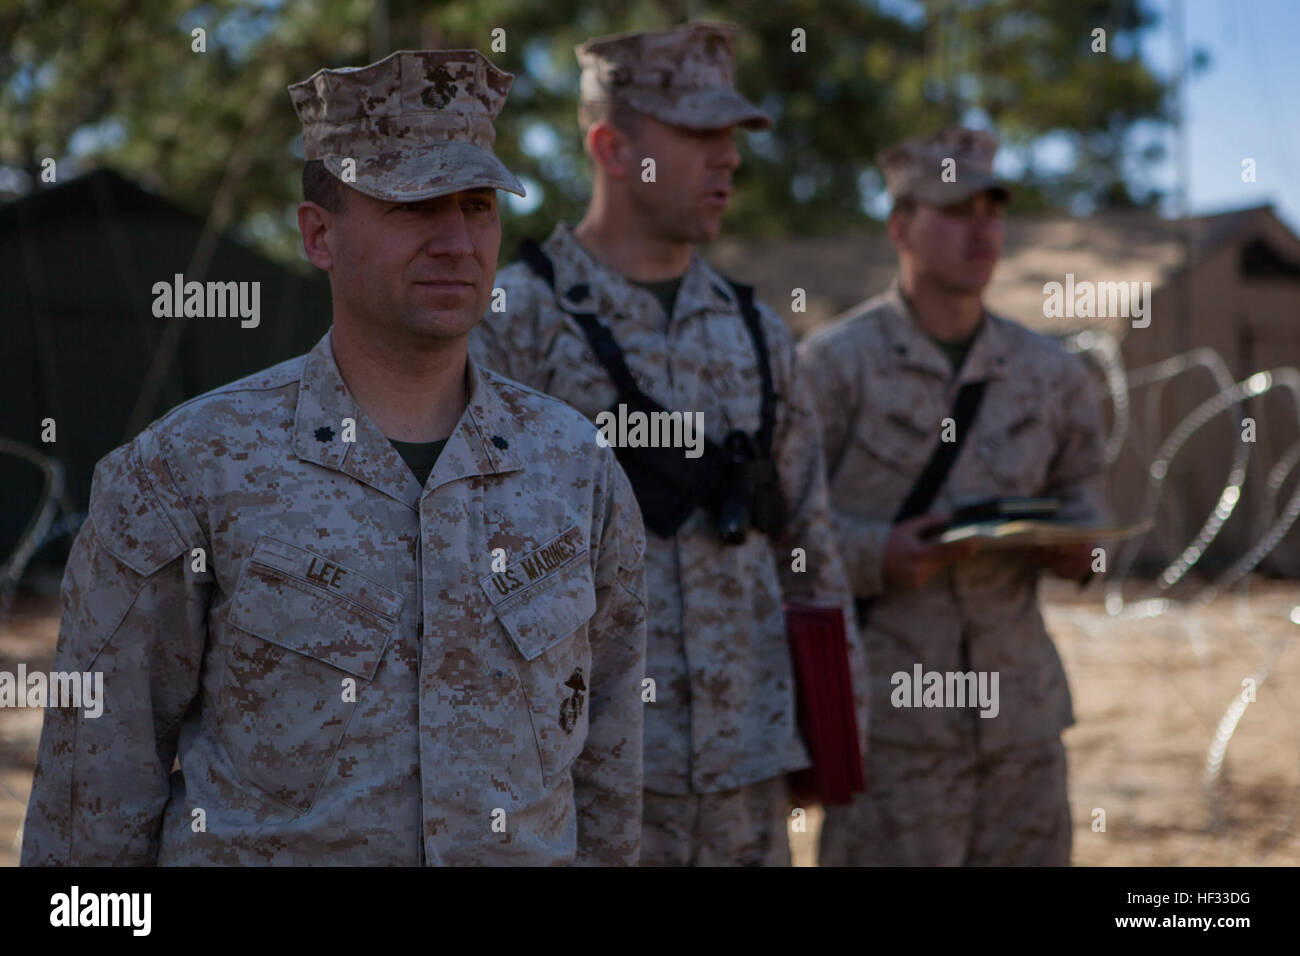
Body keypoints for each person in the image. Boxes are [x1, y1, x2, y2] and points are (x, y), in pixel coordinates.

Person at [21, 49, 647, 866]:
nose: (457, 240)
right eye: (414, 206)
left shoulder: (576, 470)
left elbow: (610, 767)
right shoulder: (187, 468)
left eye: (478, 204)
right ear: (319, 234)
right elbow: (93, 797)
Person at [471, 22, 863, 867]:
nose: (728, 159)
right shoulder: (513, 322)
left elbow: (811, 548)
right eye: (699, 135)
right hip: (580, 777)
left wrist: (833, 733)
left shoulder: (762, 336)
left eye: (733, 137)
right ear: (612, 146)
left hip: (747, 774)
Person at [800, 127, 1107, 866]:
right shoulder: (832, 368)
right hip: (892, 734)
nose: (982, 229)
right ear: (900, 226)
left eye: (992, 210)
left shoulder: (1052, 372)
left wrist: (1081, 550)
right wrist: (880, 554)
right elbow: (780, 535)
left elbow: (1087, 502)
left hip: (1022, 731)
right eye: (957, 210)